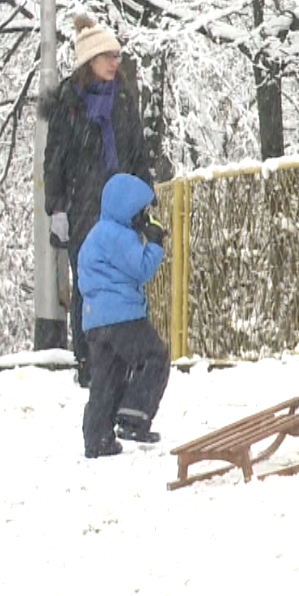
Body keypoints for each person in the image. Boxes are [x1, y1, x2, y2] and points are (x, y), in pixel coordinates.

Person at [44, 14, 154, 389]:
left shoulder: (123, 99)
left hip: (121, 207)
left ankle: (123, 356)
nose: (114, 63)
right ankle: (89, 359)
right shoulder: (68, 103)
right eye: (107, 56)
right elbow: (55, 158)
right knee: (88, 283)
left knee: (125, 277)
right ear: (89, 60)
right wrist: (57, 207)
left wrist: (144, 195)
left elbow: (136, 151)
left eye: (117, 56)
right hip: (84, 205)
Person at [78, 173, 170, 458]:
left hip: (95, 321)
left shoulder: (96, 234)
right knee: (155, 357)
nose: (143, 217)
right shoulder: (118, 235)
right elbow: (141, 269)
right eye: (140, 211)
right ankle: (134, 417)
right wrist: (155, 242)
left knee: (107, 377)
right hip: (123, 317)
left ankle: (98, 437)